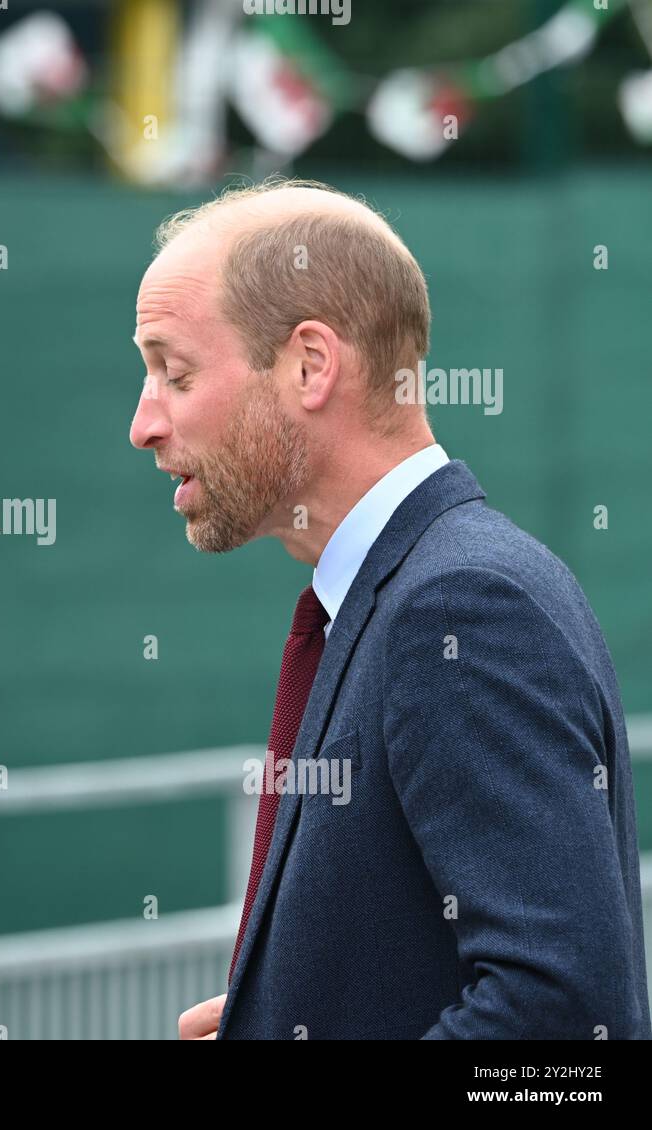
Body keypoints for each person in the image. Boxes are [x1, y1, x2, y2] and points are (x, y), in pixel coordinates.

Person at [129, 178, 650, 1039]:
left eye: (174, 373)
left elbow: (560, 1026)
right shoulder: (407, 594)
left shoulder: (460, 607)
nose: (144, 423)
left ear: (310, 365)